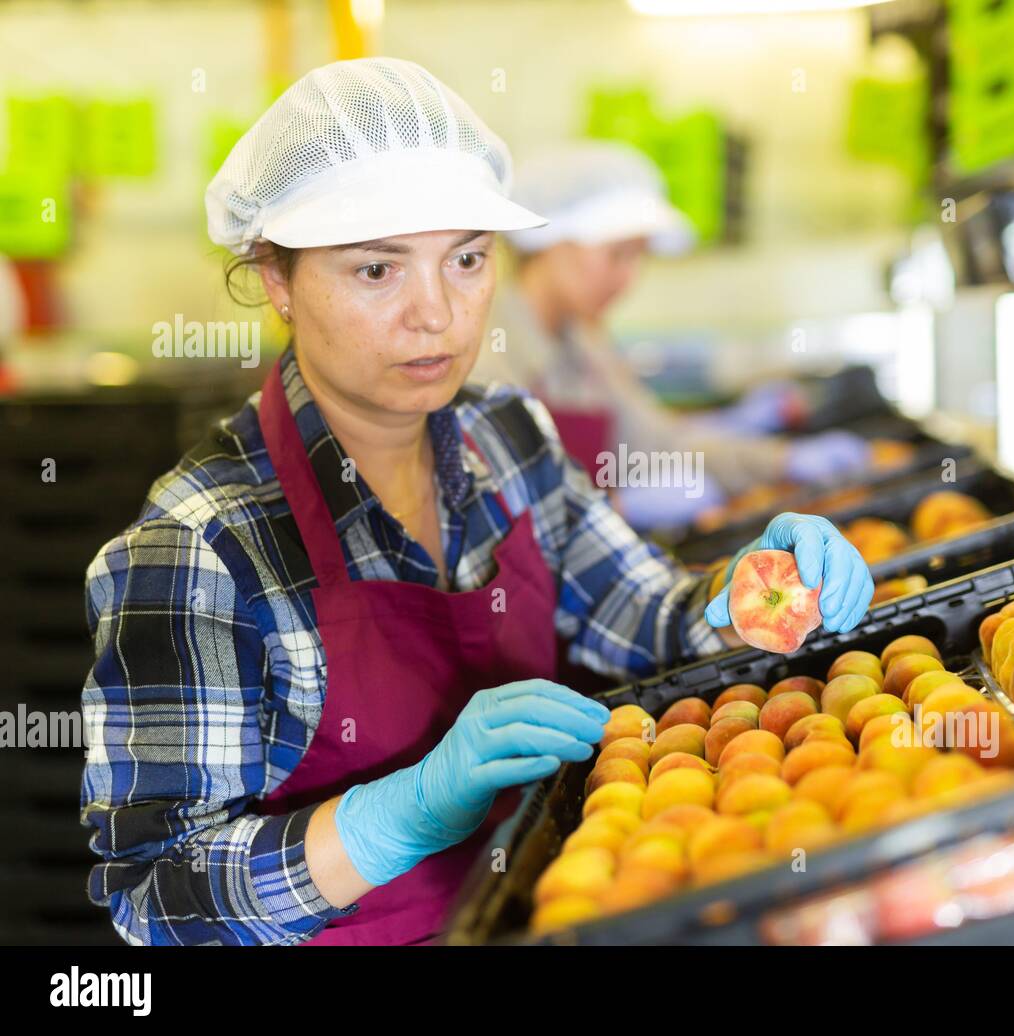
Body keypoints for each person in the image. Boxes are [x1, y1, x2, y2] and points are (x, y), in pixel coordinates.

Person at [77, 58, 874, 947]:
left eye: (466, 258)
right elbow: (155, 895)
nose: (439, 315)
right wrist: (396, 817)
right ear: (274, 277)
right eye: (377, 270)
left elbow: (647, 617)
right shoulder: (200, 550)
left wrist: (753, 595)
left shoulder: (507, 439)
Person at [473, 141, 876, 529]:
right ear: (552, 242)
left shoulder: (585, 341)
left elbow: (654, 445)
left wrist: (780, 461)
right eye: (617, 255)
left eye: (639, 257)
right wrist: (613, 508)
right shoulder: (487, 352)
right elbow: (493, 515)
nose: (630, 279)